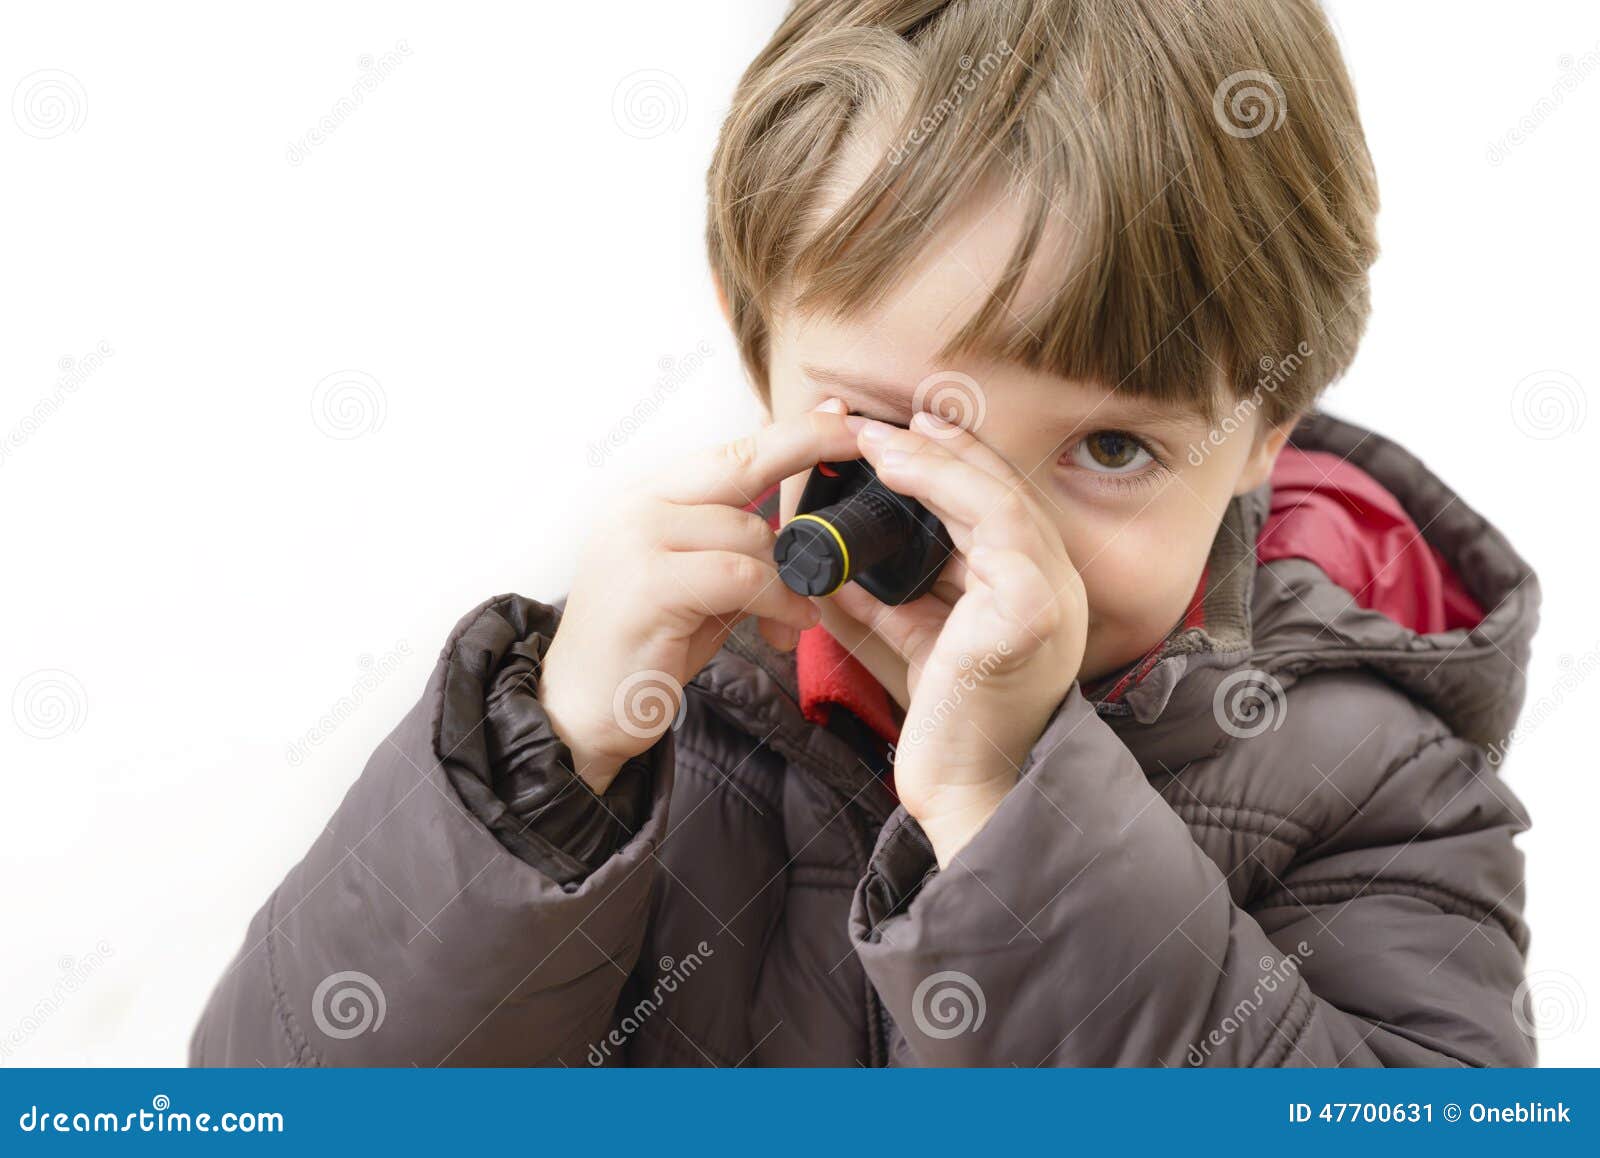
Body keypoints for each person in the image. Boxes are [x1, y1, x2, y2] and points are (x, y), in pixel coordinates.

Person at [192, 0, 1539, 1066]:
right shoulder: (652, 710)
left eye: (1111, 448)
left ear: (1267, 427)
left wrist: (1011, 813)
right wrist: (546, 766)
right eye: (896, 442)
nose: (987, 544)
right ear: (753, 336)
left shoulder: (1376, 784)